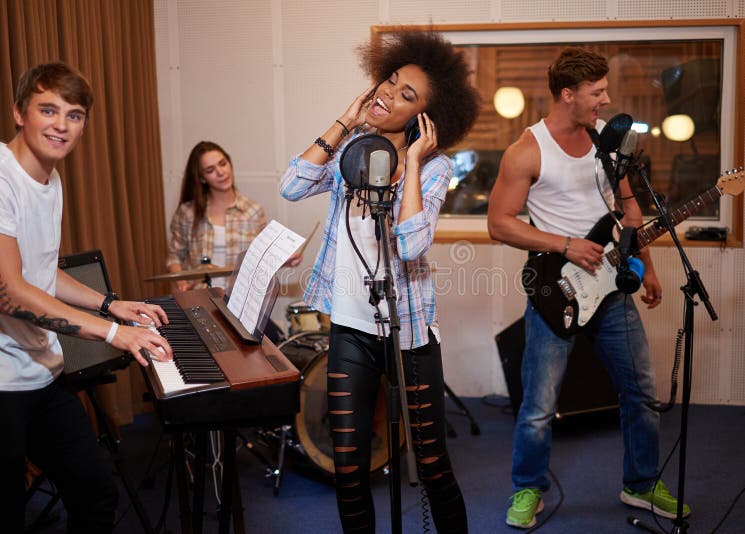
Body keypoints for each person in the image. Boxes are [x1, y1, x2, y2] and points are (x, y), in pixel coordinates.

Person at [280, 31, 480, 533]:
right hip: (351, 327)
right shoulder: (350, 149)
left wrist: (409, 163)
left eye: (406, 95)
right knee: (349, 468)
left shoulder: (435, 168)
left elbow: (410, 245)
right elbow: (292, 185)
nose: (388, 93)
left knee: (431, 465)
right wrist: (345, 121)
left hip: (408, 334)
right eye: (389, 81)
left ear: (424, 118)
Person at [487, 47, 690, 528]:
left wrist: (647, 267)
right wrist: (566, 244)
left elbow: (630, 211)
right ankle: (528, 489)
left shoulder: (608, 144)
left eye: (605, 90)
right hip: (557, 288)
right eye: (597, 92)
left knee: (641, 394)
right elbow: (499, 223)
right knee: (539, 406)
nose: (606, 100)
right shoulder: (527, 150)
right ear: (567, 94)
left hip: (613, 288)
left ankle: (641, 484)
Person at [0, 62, 173, 533]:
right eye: (48, 110)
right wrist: (114, 333)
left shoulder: (50, 178)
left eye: (74, 115)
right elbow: (11, 292)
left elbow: (41, 270)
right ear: (19, 112)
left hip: (39, 373)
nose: (61, 125)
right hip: (3, 384)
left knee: (95, 493)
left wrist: (108, 304)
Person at [166, 140, 268, 292]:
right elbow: (174, 257)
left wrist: (285, 259)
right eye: (210, 170)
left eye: (223, 163)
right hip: (201, 298)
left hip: (241, 297)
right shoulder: (187, 213)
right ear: (202, 178)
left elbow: (262, 259)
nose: (221, 172)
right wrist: (180, 281)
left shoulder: (253, 211)